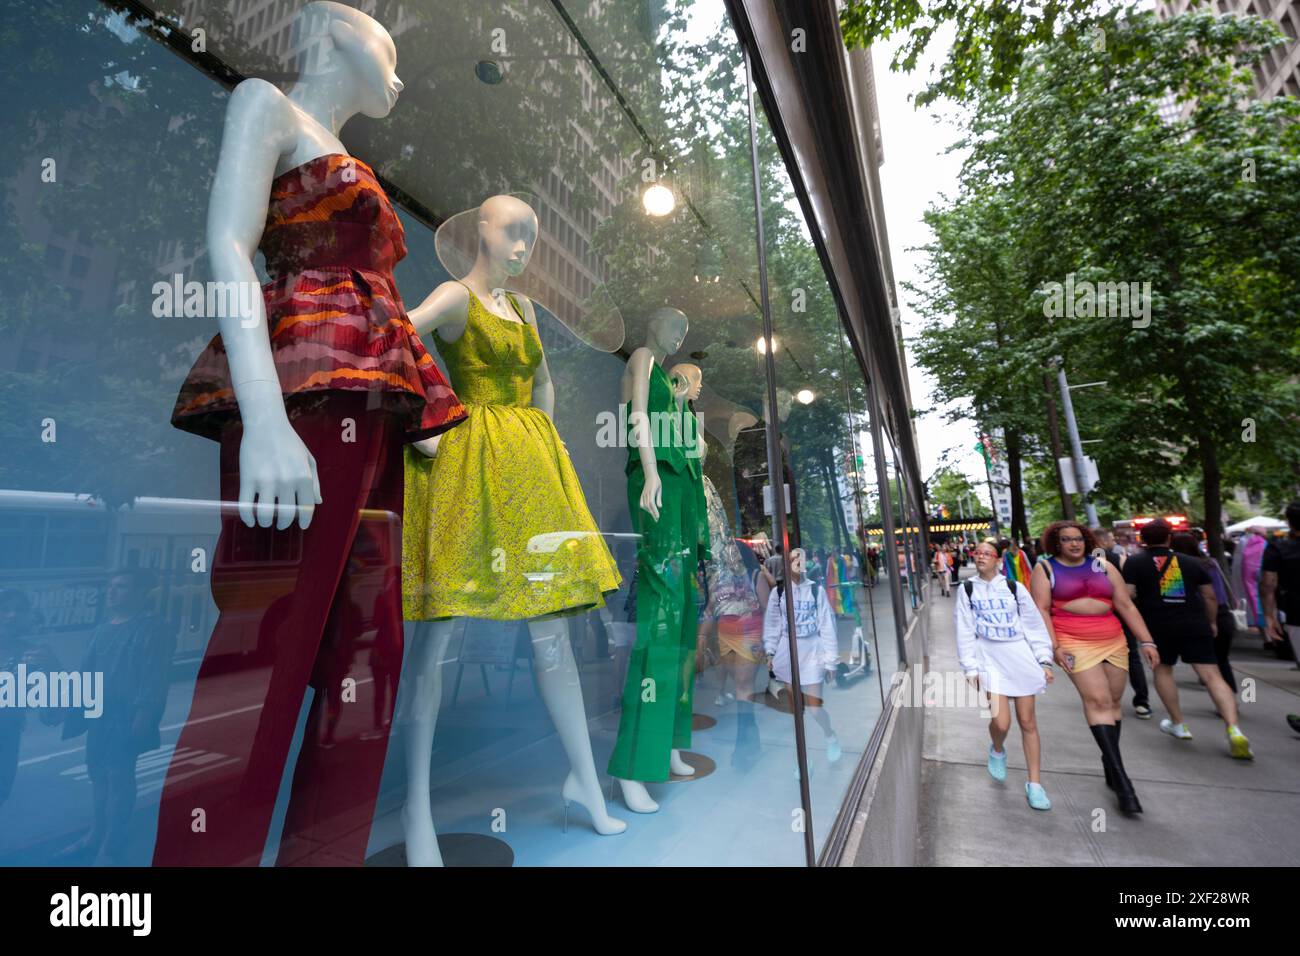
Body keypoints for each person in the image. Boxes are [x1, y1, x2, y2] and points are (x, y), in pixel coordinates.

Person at [1030, 521, 1159, 814]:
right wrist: (1054, 647)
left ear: (1086, 541)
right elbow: (1040, 610)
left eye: (1078, 539)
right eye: (1066, 540)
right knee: (1098, 701)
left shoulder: (1103, 566)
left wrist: (1147, 642)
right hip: (1073, 640)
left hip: (1113, 639)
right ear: (1056, 543)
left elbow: (1125, 604)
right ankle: (1123, 782)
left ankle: (1109, 761)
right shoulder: (1045, 569)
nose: (1073, 544)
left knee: (1113, 703)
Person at [61, 570, 174, 864]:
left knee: (119, 777)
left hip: (127, 716)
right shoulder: (102, 630)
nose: (112, 592)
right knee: (97, 774)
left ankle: (111, 846)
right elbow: (87, 672)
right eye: (111, 587)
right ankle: (95, 835)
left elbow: (154, 677)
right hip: (100, 715)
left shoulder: (153, 629)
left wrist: (144, 715)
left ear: (140, 593)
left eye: (121, 587)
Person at [1122, 519, 1252, 759]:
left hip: (1157, 626)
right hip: (1194, 623)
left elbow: (1127, 595)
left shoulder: (1135, 562)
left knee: (1163, 671)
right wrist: (1211, 622)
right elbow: (1210, 596)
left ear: (1142, 540)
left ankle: (1178, 723)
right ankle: (1233, 727)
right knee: (1211, 675)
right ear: (1169, 538)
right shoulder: (1191, 562)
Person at [956, 539, 1055, 810]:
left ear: (998, 560)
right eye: (978, 553)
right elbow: (964, 629)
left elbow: (1033, 625)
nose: (981, 557)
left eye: (988, 553)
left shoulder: (1015, 588)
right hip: (990, 659)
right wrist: (970, 667)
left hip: (1019, 657)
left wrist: (1044, 660)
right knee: (1001, 723)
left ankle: (1034, 784)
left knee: (1028, 722)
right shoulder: (966, 589)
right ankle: (997, 749)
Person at [762, 549, 841, 765]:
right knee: (796, 709)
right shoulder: (778, 593)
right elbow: (773, 625)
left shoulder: (816, 591)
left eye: (800, 561)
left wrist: (831, 660)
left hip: (813, 653)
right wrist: (770, 651)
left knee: (815, 709)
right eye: (792, 561)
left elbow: (826, 625)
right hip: (789, 653)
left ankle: (830, 735)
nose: (796, 565)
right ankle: (803, 760)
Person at [1094, 528, 1153, 719]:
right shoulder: (1111, 557)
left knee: (1104, 658)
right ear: (1102, 541)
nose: (1113, 541)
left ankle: (1106, 700)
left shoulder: (1093, 559)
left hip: (1104, 615)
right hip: (1117, 614)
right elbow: (1128, 591)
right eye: (1110, 538)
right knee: (1132, 657)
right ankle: (1142, 701)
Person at [1171, 532, 1238, 691]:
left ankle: (1224, 699)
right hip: (1223, 614)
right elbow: (1217, 594)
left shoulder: (1177, 566)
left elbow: (1177, 594)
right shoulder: (1211, 562)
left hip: (1199, 616)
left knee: (1208, 664)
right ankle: (1231, 694)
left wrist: (1211, 622)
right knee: (1222, 660)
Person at [1261, 501, 1300, 666]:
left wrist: (1269, 616)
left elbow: (1268, 584)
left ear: (1288, 521)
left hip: (1296, 608)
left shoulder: (1278, 548)